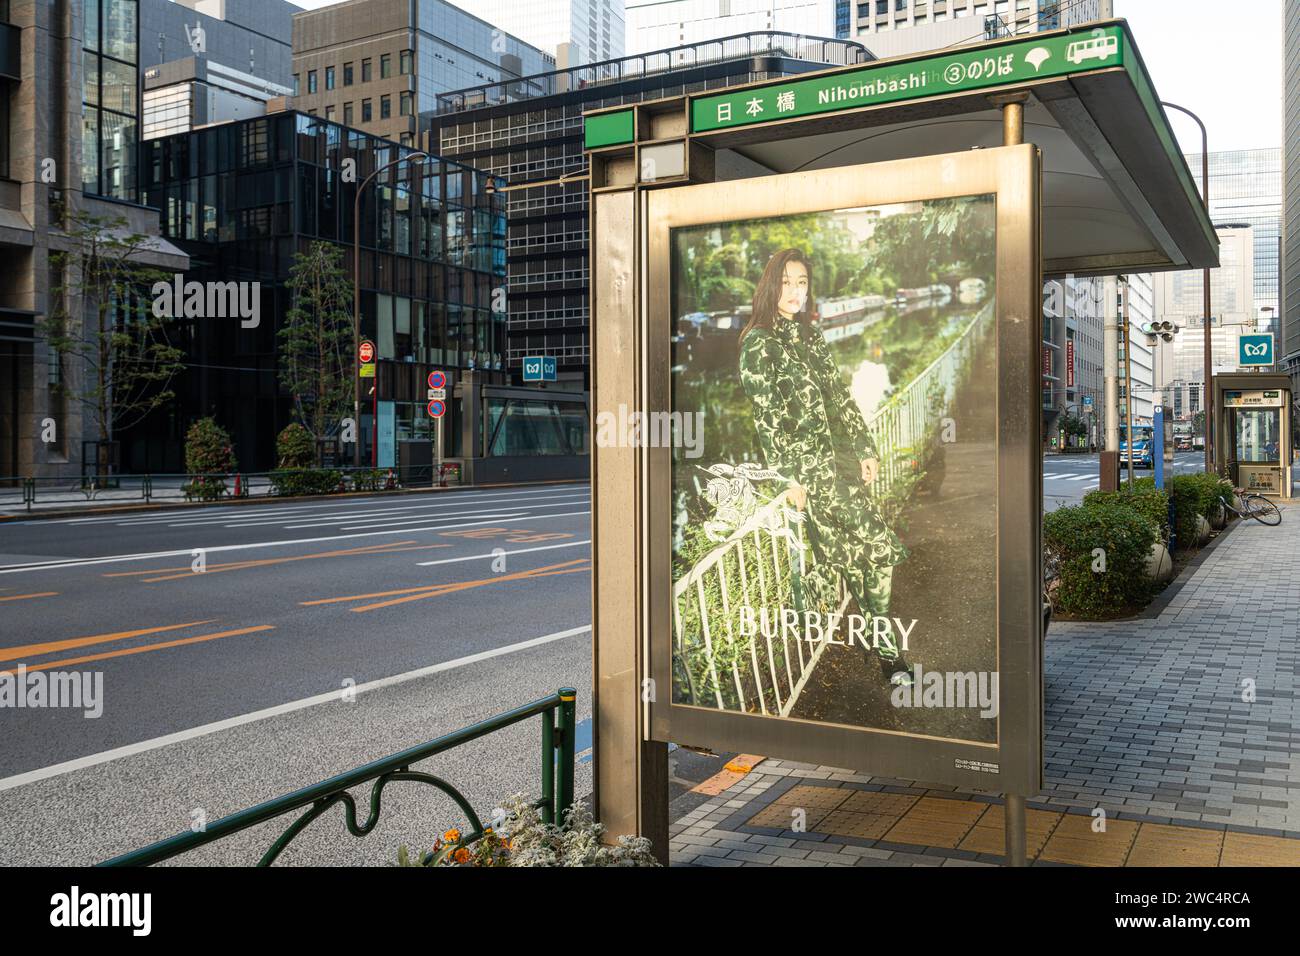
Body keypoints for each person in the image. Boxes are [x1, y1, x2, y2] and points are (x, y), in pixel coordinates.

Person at [737, 248, 910, 682]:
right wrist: (786, 479)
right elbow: (768, 420)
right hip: (811, 477)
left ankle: (883, 650)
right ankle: (889, 655)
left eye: (802, 282)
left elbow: (839, 397)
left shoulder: (810, 335)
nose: (795, 291)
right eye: (787, 281)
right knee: (876, 550)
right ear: (770, 284)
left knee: (863, 560)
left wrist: (866, 448)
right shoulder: (760, 342)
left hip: (843, 466)